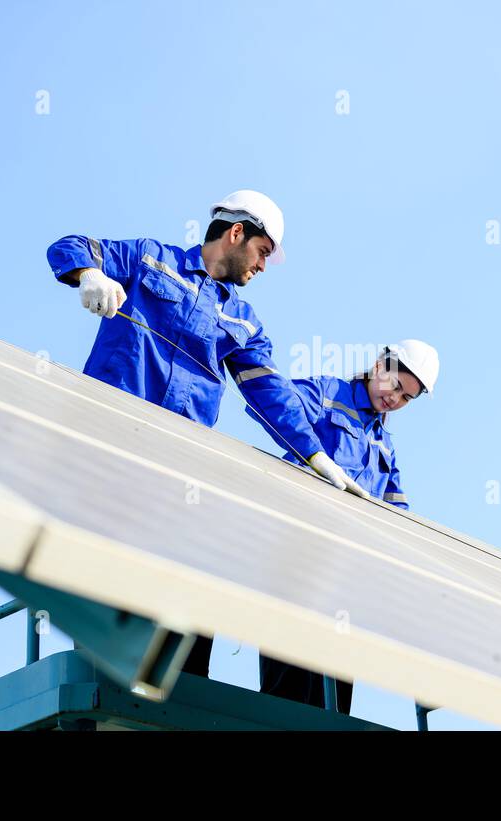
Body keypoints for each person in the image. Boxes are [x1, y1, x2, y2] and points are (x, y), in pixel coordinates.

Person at [46, 190, 366, 679]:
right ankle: (108, 684)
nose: (263, 266)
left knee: (189, 584)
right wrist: (89, 274)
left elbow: (269, 393)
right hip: (111, 450)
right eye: (263, 252)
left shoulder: (244, 322)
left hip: (180, 469)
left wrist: (316, 456)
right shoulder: (151, 259)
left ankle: (181, 693)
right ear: (236, 233)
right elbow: (72, 245)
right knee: (114, 591)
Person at [245, 340, 440, 713]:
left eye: (407, 399)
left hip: (345, 591)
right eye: (396, 386)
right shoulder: (325, 393)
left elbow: (400, 522)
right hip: (294, 568)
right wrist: (314, 458)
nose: (395, 400)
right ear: (381, 365)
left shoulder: (384, 447)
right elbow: (274, 406)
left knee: (334, 709)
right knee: (287, 700)